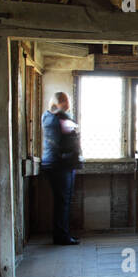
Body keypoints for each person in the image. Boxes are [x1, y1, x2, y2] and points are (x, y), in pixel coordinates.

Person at [41, 91, 81, 245]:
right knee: (63, 202)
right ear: (60, 102)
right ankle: (62, 236)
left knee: (62, 202)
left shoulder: (47, 117)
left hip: (55, 163)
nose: (68, 106)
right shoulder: (58, 119)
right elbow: (65, 142)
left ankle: (62, 234)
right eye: (66, 103)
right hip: (61, 164)